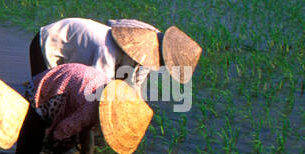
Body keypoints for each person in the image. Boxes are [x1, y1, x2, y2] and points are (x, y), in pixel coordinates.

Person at [0, 63, 153, 154]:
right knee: (31, 144)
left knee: (71, 138)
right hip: (45, 92)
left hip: (70, 87)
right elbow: (58, 136)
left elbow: (87, 131)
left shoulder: (106, 100)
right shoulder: (92, 109)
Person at [31, 17, 202, 99]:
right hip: (48, 43)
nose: (161, 67)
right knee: (42, 100)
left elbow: (133, 86)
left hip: (75, 57)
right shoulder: (108, 49)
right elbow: (91, 87)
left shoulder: (148, 53)